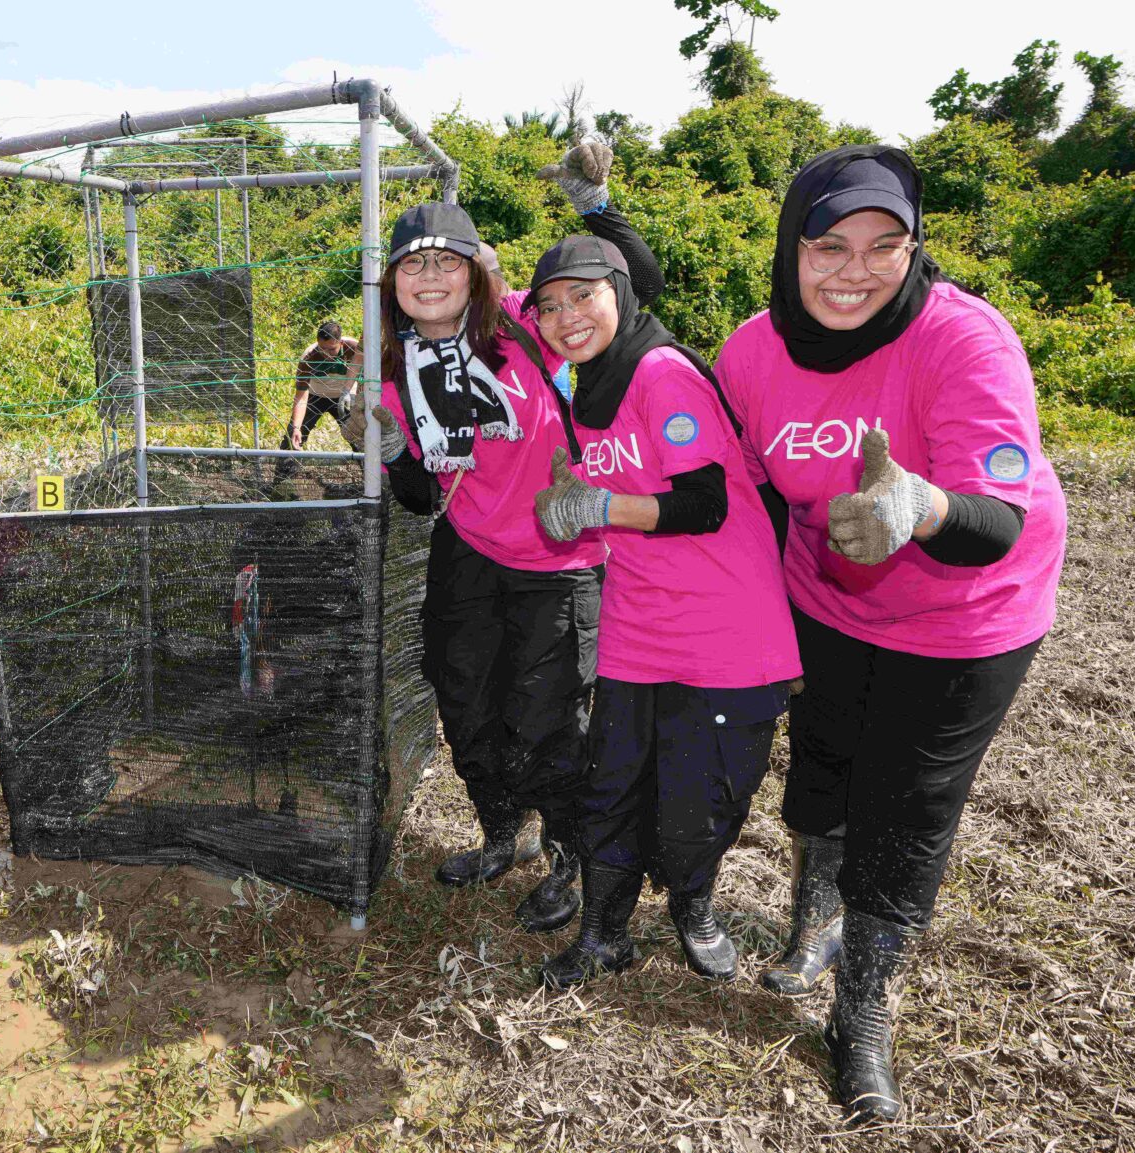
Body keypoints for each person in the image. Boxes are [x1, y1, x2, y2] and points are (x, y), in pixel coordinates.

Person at [713, 145, 1065, 1125]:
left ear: (915, 249)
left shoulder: (965, 342)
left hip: (967, 615)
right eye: (827, 245)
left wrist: (919, 505)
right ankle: (811, 915)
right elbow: (736, 483)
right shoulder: (750, 351)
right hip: (825, 595)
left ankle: (859, 1010)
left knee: (903, 807)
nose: (852, 270)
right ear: (791, 249)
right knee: (820, 763)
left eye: (884, 244)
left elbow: (996, 516)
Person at [338, 141, 663, 932]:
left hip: (562, 554)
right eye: (411, 267)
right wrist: (380, 448)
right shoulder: (394, 366)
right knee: (468, 705)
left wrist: (594, 204)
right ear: (393, 283)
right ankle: (500, 832)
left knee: (547, 718)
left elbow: (634, 291)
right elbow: (419, 494)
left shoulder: (525, 321)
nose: (429, 278)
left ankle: (568, 855)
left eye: (445, 262)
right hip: (470, 548)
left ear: (474, 270)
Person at [522, 235, 799, 989]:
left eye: (583, 295)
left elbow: (704, 502)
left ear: (621, 291)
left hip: (724, 623)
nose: (566, 315)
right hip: (638, 618)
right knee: (612, 776)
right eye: (549, 306)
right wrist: (573, 504)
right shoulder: (586, 387)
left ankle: (693, 902)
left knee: (700, 790)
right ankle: (605, 933)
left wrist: (598, 504)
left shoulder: (662, 372)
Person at [282, 321, 360, 450]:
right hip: (315, 396)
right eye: (322, 349)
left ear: (341, 343)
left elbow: (367, 381)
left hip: (344, 396)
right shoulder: (309, 357)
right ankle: (285, 469)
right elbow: (301, 398)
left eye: (331, 349)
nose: (326, 354)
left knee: (359, 439)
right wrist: (296, 428)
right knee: (293, 438)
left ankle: (370, 469)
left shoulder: (354, 350)